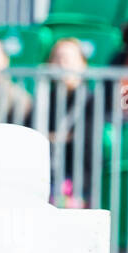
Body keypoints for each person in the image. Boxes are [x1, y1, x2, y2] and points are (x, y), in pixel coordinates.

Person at [44, 37, 96, 206]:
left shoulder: (92, 101)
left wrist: (53, 137)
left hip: (81, 186)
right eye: (58, 59)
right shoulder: (43, 102)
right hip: (46, 180)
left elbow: (86, 144)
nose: (62, 64)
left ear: (83, 65)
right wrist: (63, 137)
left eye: (69, 59)